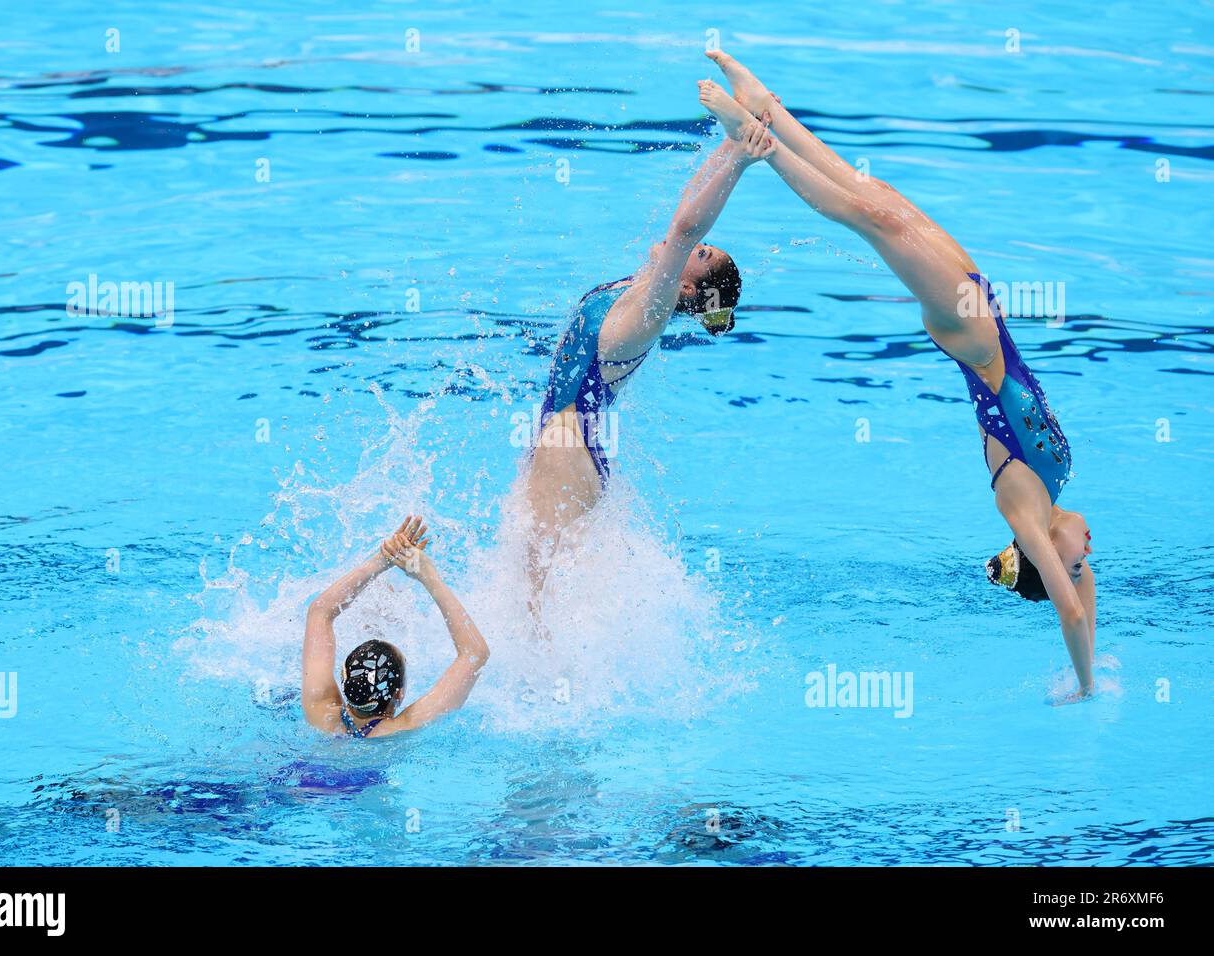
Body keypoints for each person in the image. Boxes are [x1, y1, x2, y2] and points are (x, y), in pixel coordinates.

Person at [698, 51, 1096, 698]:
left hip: (969, 332)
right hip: (981, 302)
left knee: (868, 216)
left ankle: (758, 141)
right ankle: (766, 106)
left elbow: (1072, 610)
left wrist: (1086, 687)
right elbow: (1085, 595)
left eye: (1078, 565)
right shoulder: (1056, 493)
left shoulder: (1021, 506)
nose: (1089, 556)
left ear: (1049, 560)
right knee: (874, 194)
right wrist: (1088, 630)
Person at [520, 110, 777, 606]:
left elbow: (684, 227)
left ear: (685, 286)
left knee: (534, 600)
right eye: (703, 246)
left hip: (565, 451)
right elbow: (686, 210)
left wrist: (742, 163)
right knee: (539, 591)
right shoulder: (643, 290)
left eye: (701, 254)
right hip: (567, 449)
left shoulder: (648, 314)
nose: (694, 243)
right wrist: (732, 135)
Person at [301, 515, 490, 736]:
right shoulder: (402, 729)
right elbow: (475, 653)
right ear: (399, 695)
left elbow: (320, 611)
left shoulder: (319, 710)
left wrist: (380, 560)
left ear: (344, 678)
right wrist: (429, 577)